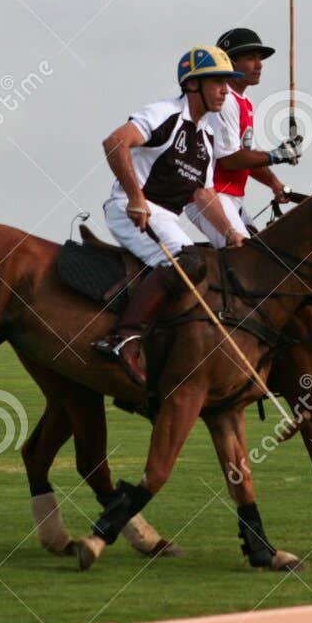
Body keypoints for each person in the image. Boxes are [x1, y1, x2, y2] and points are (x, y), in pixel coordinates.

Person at [92, 45, 246, 385]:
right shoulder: (165, 114)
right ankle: (124, 338)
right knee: (187, 260)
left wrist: (230, 233)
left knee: (217, 262)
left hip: (166, 217)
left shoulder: (206, 137)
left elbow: (202, 194)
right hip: (131, 209)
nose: (225, 90)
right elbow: (114, 143)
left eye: (227, 83)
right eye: (217, 82)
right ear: (192, 84)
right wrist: (135, 197)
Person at [184, 26, 302, 246]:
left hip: (231, 197)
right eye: (250, 58)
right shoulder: (225, 101)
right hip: (209, 196)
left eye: (260, 59)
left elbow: (247, 157)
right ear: (229, 63)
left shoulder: (243, 102)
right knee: (245, 256)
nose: (259, 65)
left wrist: (274, 183)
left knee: (264, 253)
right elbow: (230, 160)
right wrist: (277, 155)